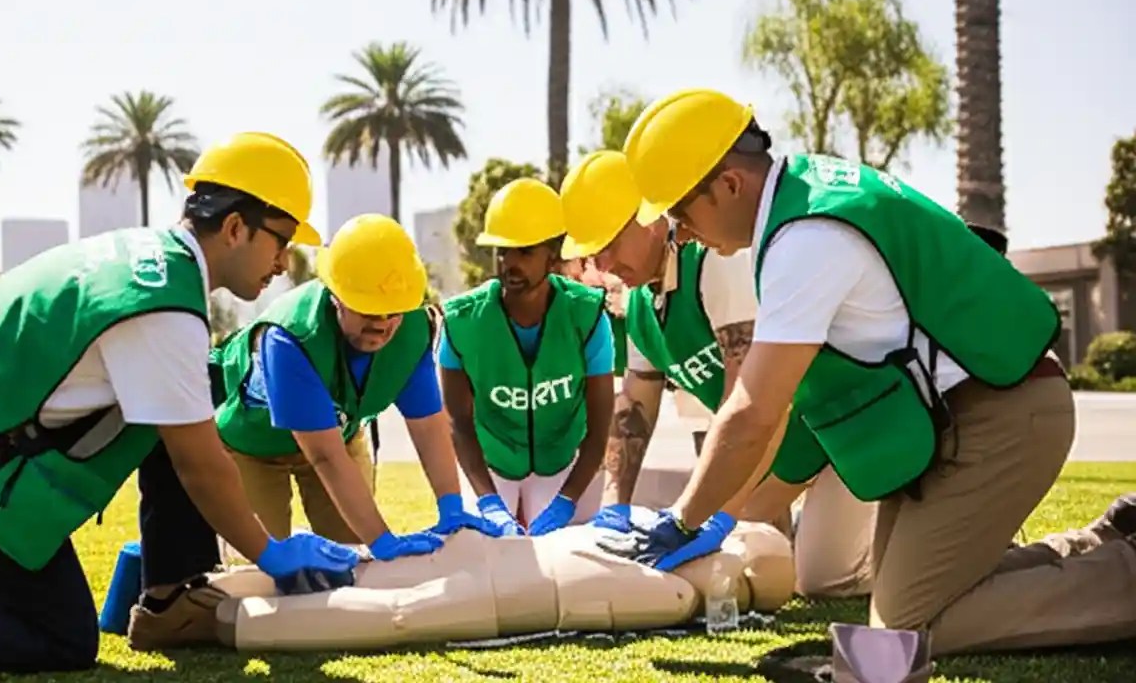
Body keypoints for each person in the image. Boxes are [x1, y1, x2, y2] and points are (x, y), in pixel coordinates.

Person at [610, 86, 1136, 655]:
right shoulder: (805, 192)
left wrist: (684, 520)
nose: (679, 232)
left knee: (908, 629)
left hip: (1000, 416)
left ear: (730, 185)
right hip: (956, 420)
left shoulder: (804, 240)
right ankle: (1101, 543)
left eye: (680, 212)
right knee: (902, 594)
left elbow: (756, 410)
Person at [0, 132, 366, 677]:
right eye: (280, 240)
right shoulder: (165, 311)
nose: (285, 263)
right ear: (237, 228)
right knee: (60, 637)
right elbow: (200, 465)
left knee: (199, 387)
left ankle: (173, 597)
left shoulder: (151, 261)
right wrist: (273, 554)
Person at [558, 149, 875, 596]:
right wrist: (614, 508)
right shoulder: (641, 305)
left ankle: (916, 540)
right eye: (594, 255)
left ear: (648, 220)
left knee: (824, 579)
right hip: (779, 457)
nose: (604, 266)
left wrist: (716, 515)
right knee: (763, 565)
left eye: (609, 245)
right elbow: (634, 409)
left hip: (843, 435)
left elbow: (759, 403)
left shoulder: (715, 261)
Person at [212, 213, 503, 564]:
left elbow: (428, 424)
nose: (381, 325)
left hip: (340, 438)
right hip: (253, 448)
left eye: (390, 312)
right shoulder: (291, 337)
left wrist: (451, 506)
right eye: (367, 310)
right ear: (337, 298)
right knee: (257, 566)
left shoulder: (411, 328)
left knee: (355, 558)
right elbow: (324, 455)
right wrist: (382, 540)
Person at [210, 515, 798, 651]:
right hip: (507, 575)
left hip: (506, 570)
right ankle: (213, 611)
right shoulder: (665, 569)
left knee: (370, 580)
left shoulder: (665, 569)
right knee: (380, 593)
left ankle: (209, 605)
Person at [439, 178, 615, 535]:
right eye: (502, 251)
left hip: (566, 464)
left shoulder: (588, 315)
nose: (509, 263)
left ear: (552, 255)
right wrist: (489, 503)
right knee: (489, 561)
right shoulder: (461, 322)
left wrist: (569, 499)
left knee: (568, 565)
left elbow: (600, 430)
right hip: (490, 464)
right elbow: (458, 423)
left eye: (524, 252)